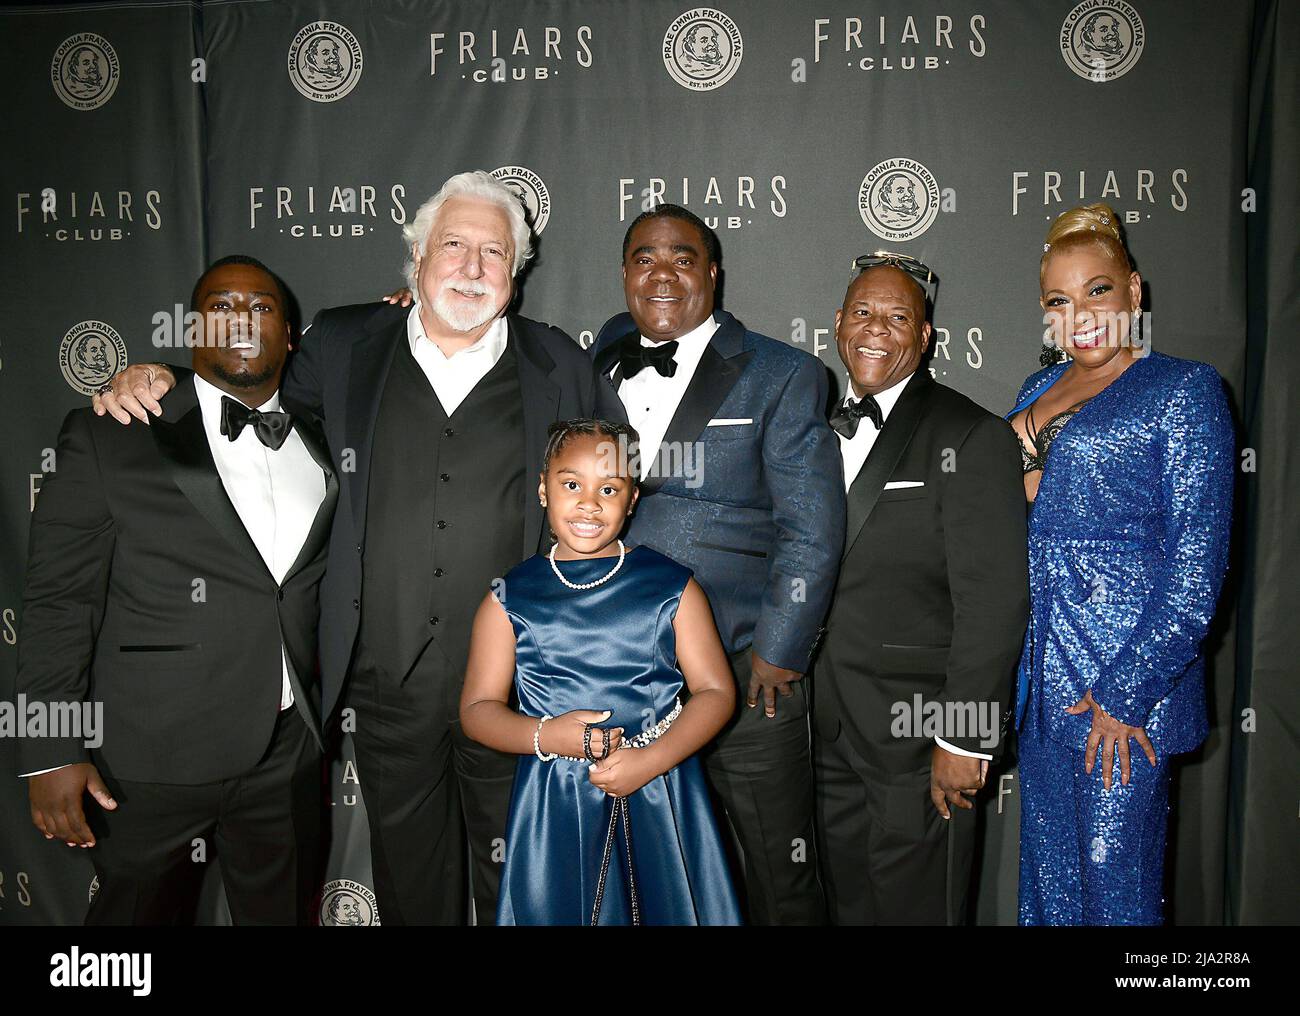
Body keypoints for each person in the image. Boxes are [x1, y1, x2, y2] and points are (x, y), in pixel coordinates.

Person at [92, 170, 623, 925]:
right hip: (384, 690)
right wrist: (160, 378)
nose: (472, 269)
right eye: (453, 247)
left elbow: (615, 493)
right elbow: (245, 401)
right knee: (412, 890)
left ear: (518, 271)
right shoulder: (342, 344)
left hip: (525, 689)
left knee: (527, 892)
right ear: (415, 258)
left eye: (493, 254)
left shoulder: (561, 367)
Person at [18, 255, 335, 924]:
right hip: (147, 760)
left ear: (290, 334)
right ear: (192, 329)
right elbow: (58, 602)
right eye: (221, 306)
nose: (242, 319)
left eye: (261, 307)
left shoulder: (320, 441)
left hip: (284, 754)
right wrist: (49, 751)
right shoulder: (113, 429)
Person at [590, 204, 845, 924]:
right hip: (616, 672)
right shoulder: (592, 362)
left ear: (713, 272)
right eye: (645, 259)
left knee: (776, 873)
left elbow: (813, 528)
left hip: (743, 671)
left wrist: (781, 649)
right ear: (624, 274)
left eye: (682, 258)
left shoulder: (783, 373)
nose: (662, 274)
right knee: (643, 877)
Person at [1007, 204, 1234, 925]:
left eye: (1098, 290)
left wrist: (1126, 694)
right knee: (1050, 891)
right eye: (1058, 301)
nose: (1080, 316)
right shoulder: (1033, 392)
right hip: (1043, 684)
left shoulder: (1184, 391)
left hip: (1123, 696)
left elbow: (1197, 567)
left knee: (1116, 896)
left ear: (1134, 291)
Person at [812, 253, 1029, 925]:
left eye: (898, 316)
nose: (876, 329)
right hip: (821, 731)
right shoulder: (808, 426)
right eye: (863, 313)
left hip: (922, 742)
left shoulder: (971, 434)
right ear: (838, 324)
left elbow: (995, 601)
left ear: (927, 335)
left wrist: (966, 739)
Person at [460, 419, 741, 925]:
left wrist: (651, 759)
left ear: (631, 500)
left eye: (608, 488)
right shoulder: (509, 596)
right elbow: (478, 711)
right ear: (543, 489)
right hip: (554, 801)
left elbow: (716, 691)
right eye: (572, 485)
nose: (589, 504)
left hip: (662, 786)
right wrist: (547, 735)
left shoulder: (672, 587)